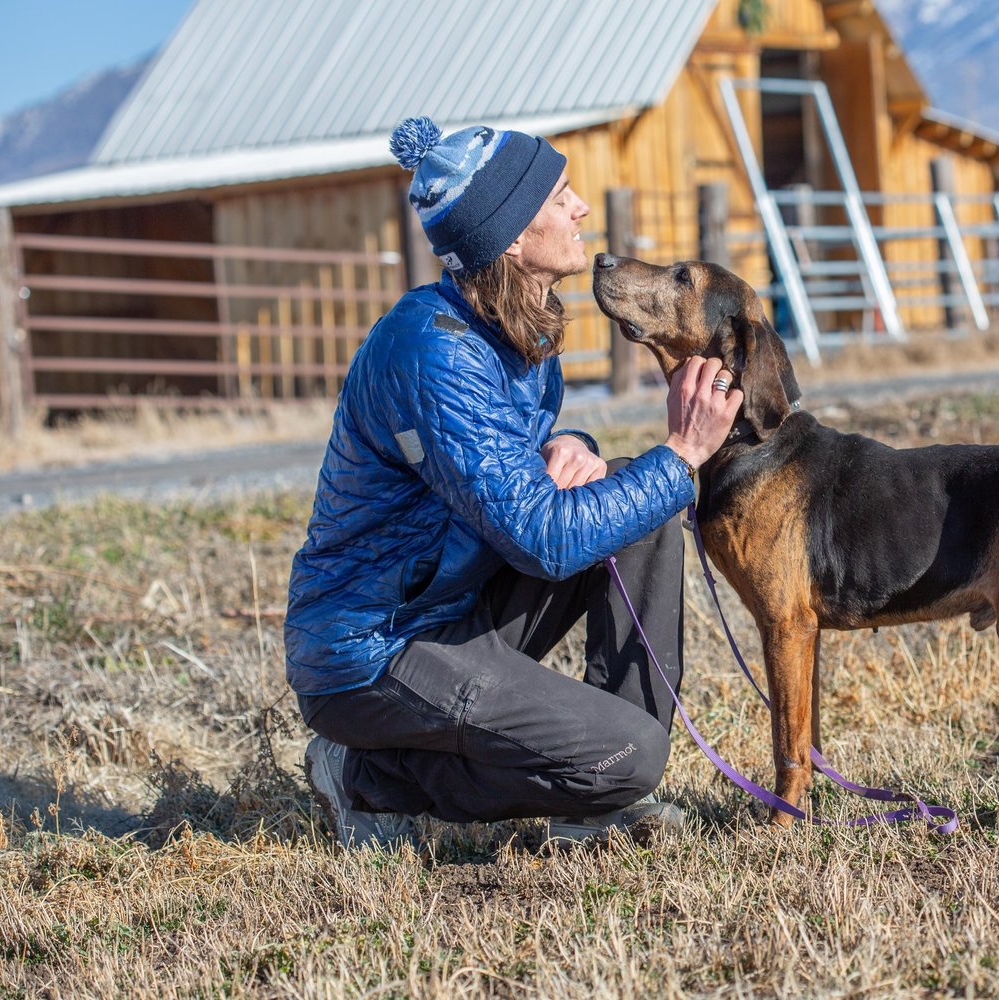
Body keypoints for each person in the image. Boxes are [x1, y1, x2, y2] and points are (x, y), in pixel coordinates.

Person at [285, 117, 742, 849]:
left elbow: (503, 466)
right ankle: (362, 776)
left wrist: (574, 445)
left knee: (639, 502)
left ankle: (596, 802)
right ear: (509, 238)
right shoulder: (433, 351)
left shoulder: (517, 325)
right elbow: (543, 540)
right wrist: (682, 455)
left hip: (456, 603)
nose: (581, 208)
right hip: (376, 648)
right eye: (559, 196)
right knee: (631, 755)